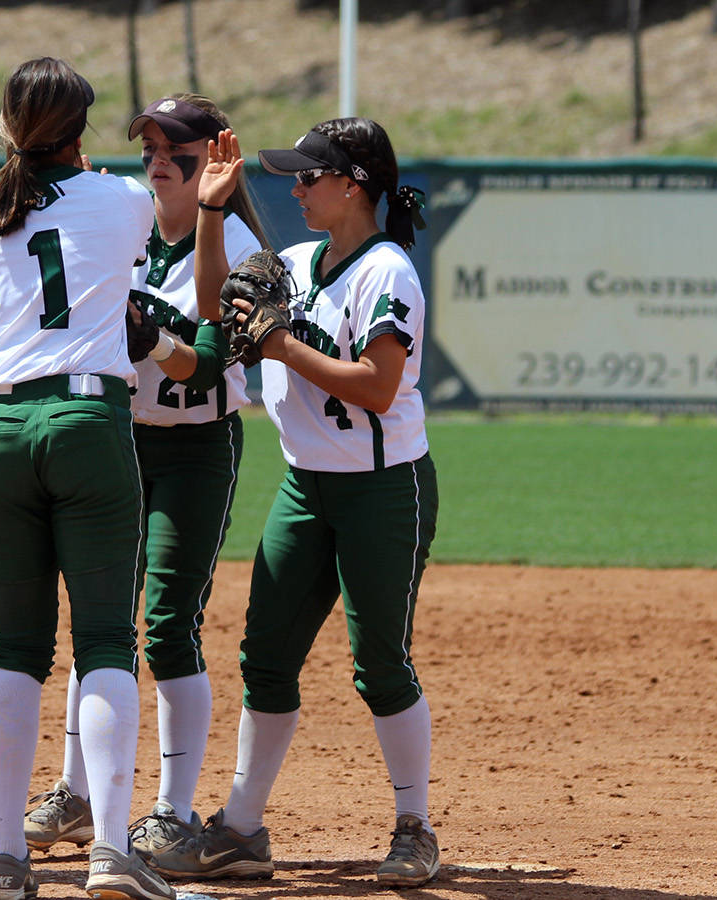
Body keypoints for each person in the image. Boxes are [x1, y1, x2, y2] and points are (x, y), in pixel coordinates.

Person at [148, 119, 441, 888]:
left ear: (353, 185)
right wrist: (212, 214)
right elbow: (218, 306)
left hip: (384, 489)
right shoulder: (300, 261)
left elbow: (378, 388)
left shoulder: (389, 271)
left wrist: (282, 347)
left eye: (310, 177)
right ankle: (242, 828)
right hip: (306, 485)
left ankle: (414, 825)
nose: (296, 187)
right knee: (266, 659)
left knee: (380, 664)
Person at [0, 57, 175, 900]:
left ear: (6, 126)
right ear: (79, 130)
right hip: (85, 420)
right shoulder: (125, 200)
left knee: (17, 649)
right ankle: (111, 850)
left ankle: (7, 859)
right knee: (106, 640)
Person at [23, 94, 268, 866]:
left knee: (166, 624)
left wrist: (211, 218)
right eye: (151, 150)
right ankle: (78, 791)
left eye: (178, 152)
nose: (159, 162)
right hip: (119, 440)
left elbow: (212, 327)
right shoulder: (122, 229)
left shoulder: (244, 248)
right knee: (101, 616)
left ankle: (170, 808)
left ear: (215, 160)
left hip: (197, 451)